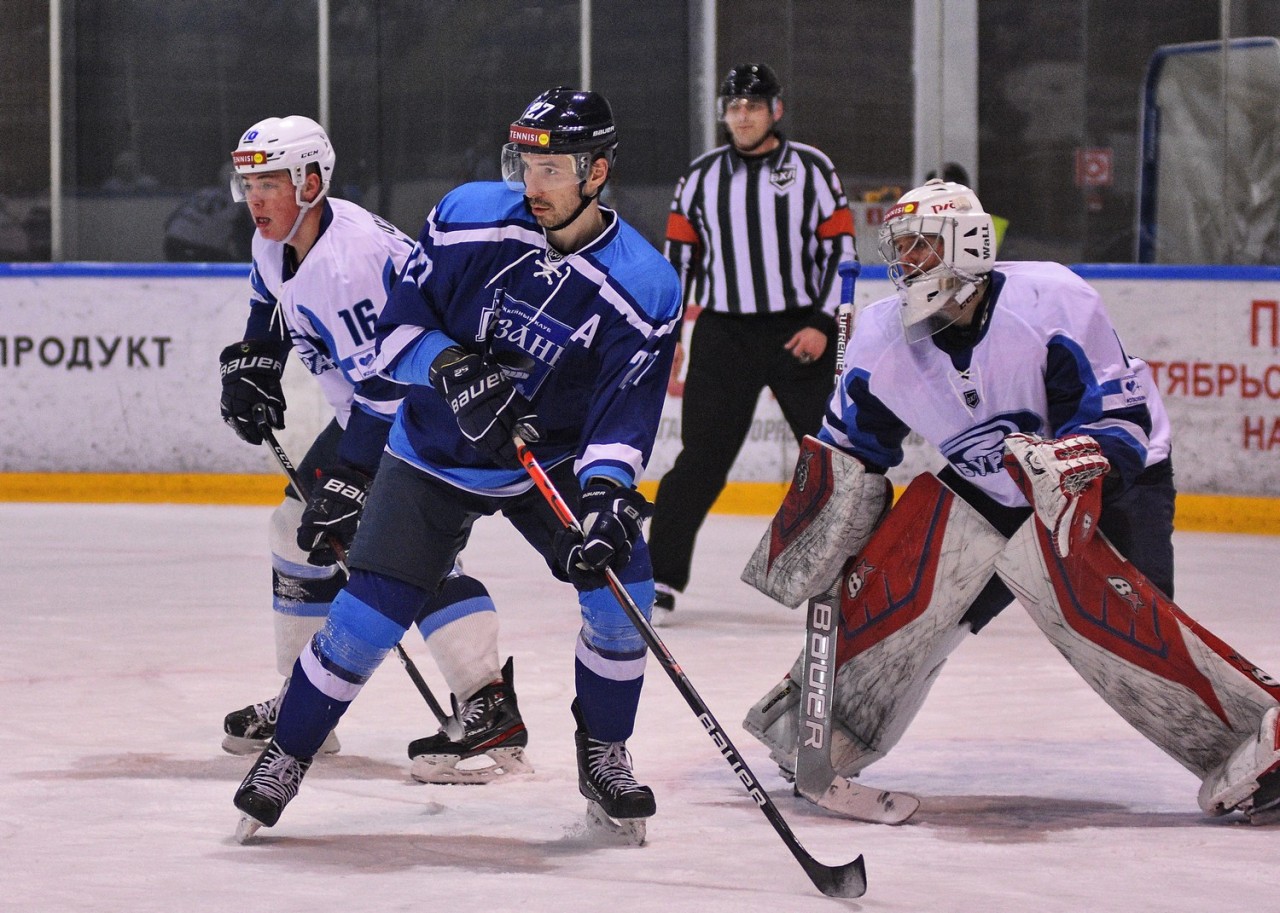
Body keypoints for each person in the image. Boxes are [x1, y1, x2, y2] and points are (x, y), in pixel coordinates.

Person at [742, 178, 1280, 823]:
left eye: (920, 247)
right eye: (901, 249)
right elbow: (851, 454)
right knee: (896, 585)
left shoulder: (1050, 299)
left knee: (1120, 627)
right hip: (990, 485)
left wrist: (1071, 464)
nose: (906, 264)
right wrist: (824, 520)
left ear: (967, 245)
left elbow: (1121, 422)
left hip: (1106, 485)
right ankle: (819, 725)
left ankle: (1261, 742)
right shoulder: (882, 337)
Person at [232, 88, 683, 837]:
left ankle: (604, 753)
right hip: (434, 450)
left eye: (554, 169)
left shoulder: (644, 288)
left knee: (619, 590)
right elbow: (399, 331)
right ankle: (286, 753)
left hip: (553, 459)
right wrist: (450, 367)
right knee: (364, 620)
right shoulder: (469, 217)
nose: (532, 186)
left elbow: (623, 413)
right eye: (524, 165)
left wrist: (606, 495)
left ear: (598, 171)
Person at [218, 115, 526, 784]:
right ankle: (304, 702)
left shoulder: (351, 259)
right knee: (296, 533)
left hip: (427, 411)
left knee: (404, 558)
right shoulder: (278, 239)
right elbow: (267, 300)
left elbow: (389, 382)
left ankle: (488, 705)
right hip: (376, 411)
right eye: (248, 183)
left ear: (310, 180)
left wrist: (354, 474)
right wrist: (253, 362)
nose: (256, 198)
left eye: (268, 182)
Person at [648, 63, 856, 622]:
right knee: (701, 460)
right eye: (734, 106)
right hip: (724, 333)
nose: (743, 115)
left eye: (754, 106)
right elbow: (680, 264)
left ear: (775, 111)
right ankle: (659, 577)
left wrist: (822, 322)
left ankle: (855, 576)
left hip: (798, 329)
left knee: (833, 459)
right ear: (724, 113)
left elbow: (841, 253)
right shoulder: (699, 177)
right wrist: (672, 335)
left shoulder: (813, 169)